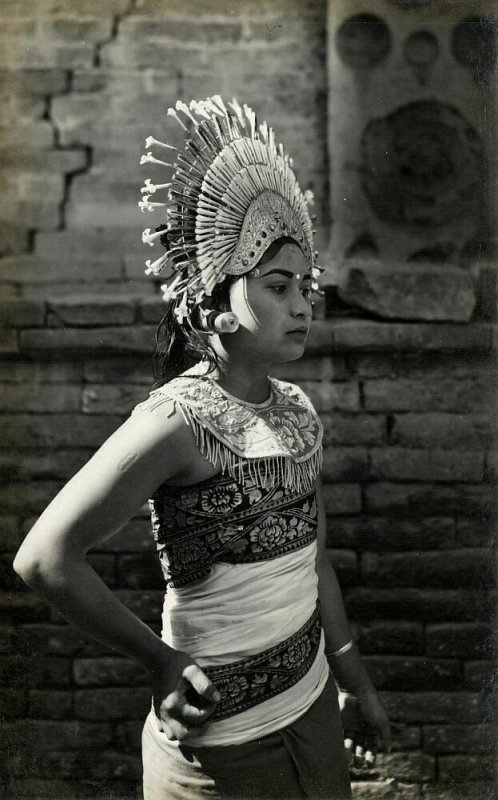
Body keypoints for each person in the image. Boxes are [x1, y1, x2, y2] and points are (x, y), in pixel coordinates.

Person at [14, 96, 390, 800]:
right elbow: (44, 557)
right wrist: (159, 661)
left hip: (313, 716)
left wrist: (355, 684)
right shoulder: (176, 423)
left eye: (305, 285)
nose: (304, 305)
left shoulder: (301, 413)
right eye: (277, 286)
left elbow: (316, 562)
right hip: (221, 753)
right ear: (215, 305)